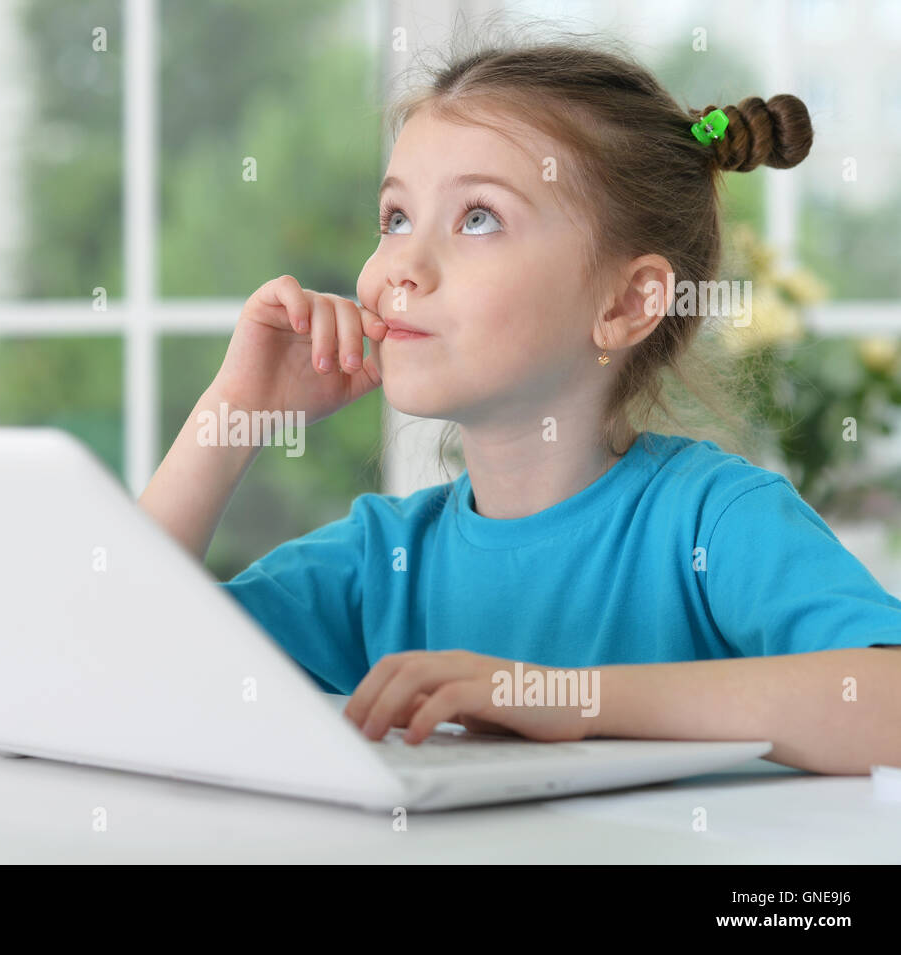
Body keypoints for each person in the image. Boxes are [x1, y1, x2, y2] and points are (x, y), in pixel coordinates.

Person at [138, 36, 901, 775]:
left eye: (478, 218)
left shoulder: (714, 520)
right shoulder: (382, 561)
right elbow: (110, 664)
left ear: (628, 302)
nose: (400, 263)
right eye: (396, 218)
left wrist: (569, 696)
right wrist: (232, 415)